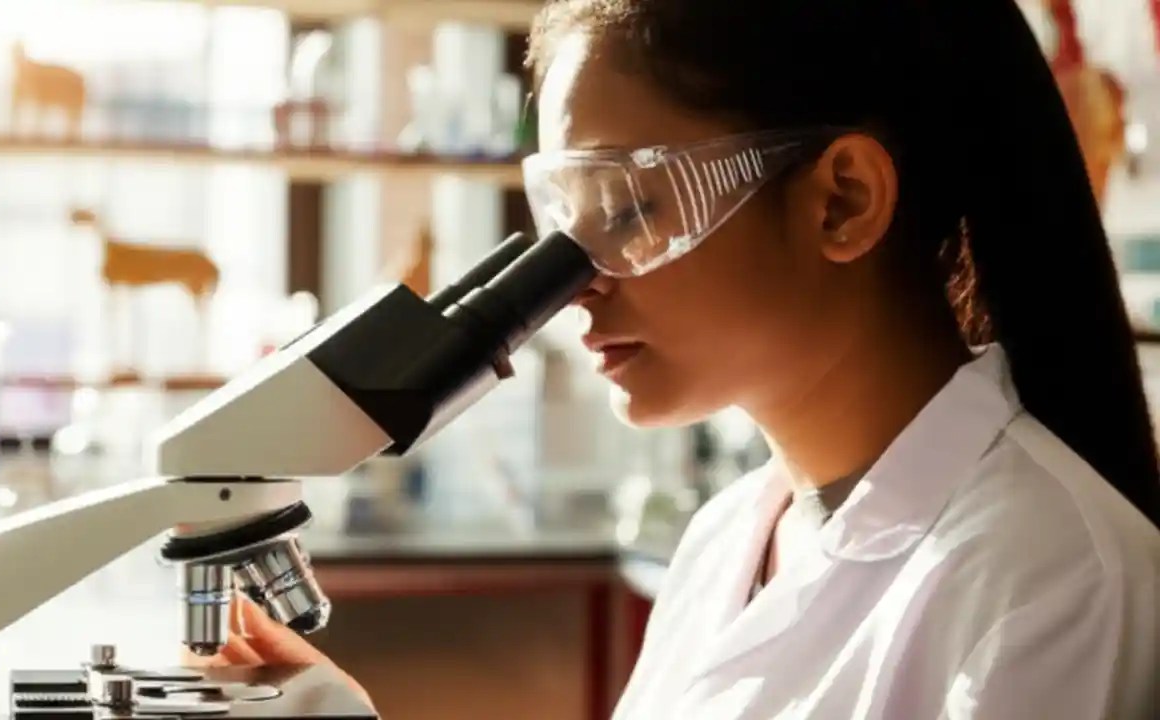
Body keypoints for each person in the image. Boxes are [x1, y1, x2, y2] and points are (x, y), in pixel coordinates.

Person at [194, 0, 1160, 717]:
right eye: (561, 222)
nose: (574, 284)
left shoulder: (1049, 577)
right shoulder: (728, 539)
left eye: (627, 210)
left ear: (843, 201)